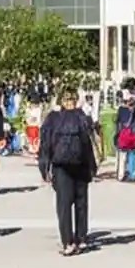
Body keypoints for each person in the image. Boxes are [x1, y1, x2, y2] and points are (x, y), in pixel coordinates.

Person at [38, 90, 97, 256]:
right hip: (81, 165)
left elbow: (46, 144)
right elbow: (87, 144)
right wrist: (92, 166)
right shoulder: (82, 117)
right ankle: (81, 238)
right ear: (76, 101)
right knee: (81, 203)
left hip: (61, 165)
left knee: (64, 205)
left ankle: (68, 242)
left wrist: (44, 166)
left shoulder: (53, 119)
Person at [115, 91, 135, 181]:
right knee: (132, 154)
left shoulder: (123, 110)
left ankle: (124, 174)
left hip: (127, 134)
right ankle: (132, 173)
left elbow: (119, 122)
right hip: (134, 134)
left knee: (125, 154)